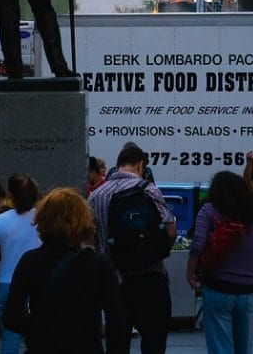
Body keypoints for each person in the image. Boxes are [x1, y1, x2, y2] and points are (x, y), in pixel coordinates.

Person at [2, 187, 128, 354]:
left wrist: (38, 328)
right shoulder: (99, 264)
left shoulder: (30, 261)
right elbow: (117, 323)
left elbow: (11, 317)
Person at [89, 141, 177, 354]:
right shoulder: (149, 190)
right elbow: (171, 231)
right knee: (153, 342)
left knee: (118, 343)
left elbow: (92, 241)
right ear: (140, 165)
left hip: (114, 281)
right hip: (151, 277)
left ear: (117, 164)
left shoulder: (96, 196)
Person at [188, 169, 253, 354]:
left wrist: (190, 272)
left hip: (218, 287)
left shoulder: (209, 211)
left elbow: (197, 244)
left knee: (221, 347)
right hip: (248, 290)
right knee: (244, 348)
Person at [0, 175, 42, 354]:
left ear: (10, 195)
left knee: (9, 344)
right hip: (39, 285)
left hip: (7, 284)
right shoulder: (42, 220)